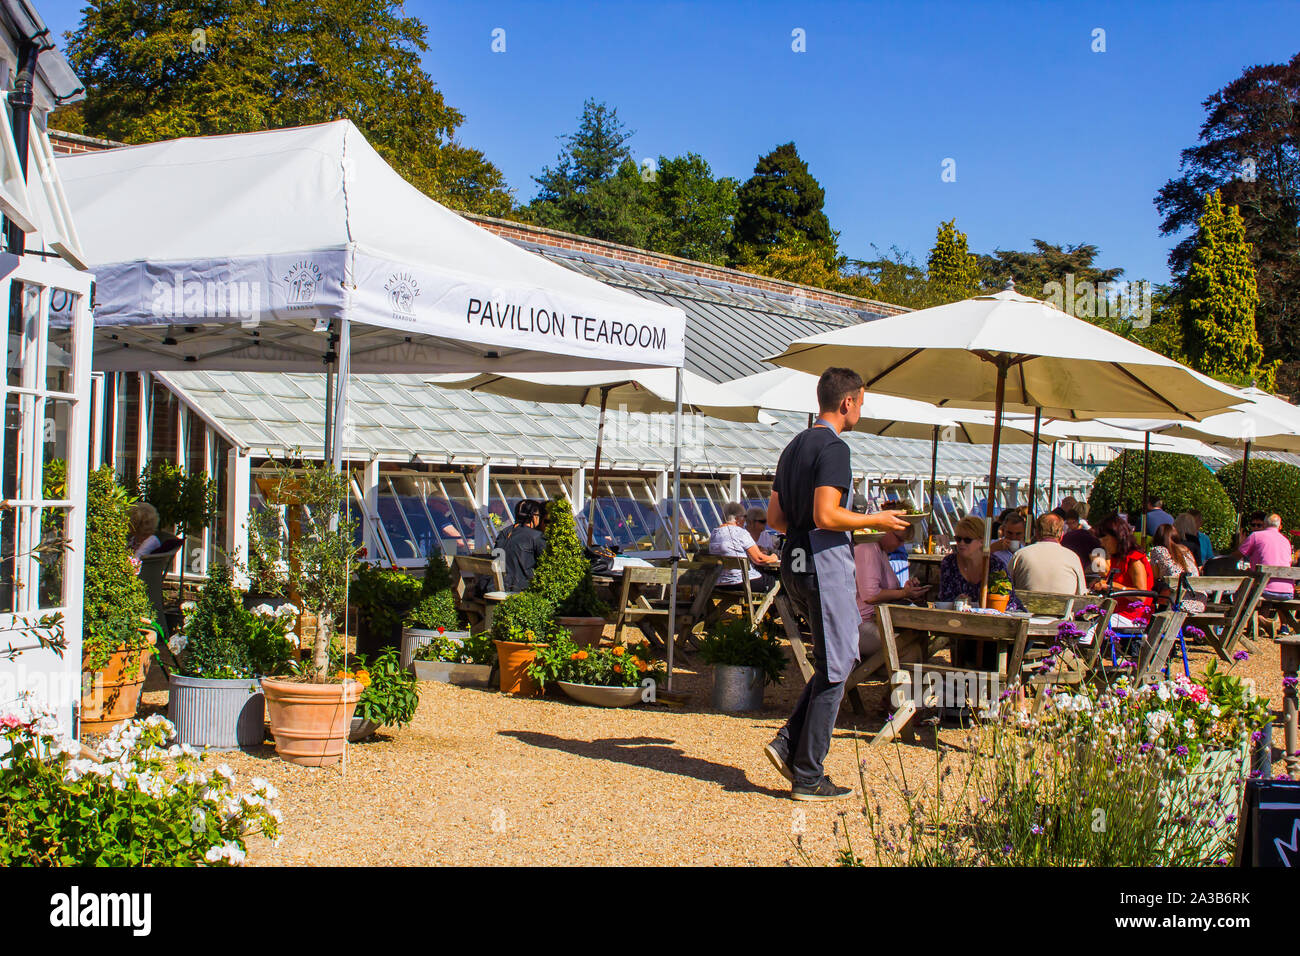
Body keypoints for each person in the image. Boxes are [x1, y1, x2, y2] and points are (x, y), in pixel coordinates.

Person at [763, 368, 909, 801]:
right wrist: (875, 520)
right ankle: (807, 774)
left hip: (793, 561)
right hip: (823, 564)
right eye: (861, 402)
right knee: (839, 663)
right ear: (847, 402)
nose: (861, 410)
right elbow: (828, 515)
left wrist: (806, 529)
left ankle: (790, 742)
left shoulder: (793, 447)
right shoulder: (834, 448)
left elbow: (774, 520)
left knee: (833, 661)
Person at [855, 524, 928, 660]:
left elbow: (887, 590)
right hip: (861, 625)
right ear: (886, 530)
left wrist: (906, 589)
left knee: (919, 638)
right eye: (899, 539)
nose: (900, 545)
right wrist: (904, 594)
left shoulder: (880, 551)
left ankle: (874, 670)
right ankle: (869, 671)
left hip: (879, 619)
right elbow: (871, 596)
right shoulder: (868, 549)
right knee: (912, 650)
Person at [1091, 514, 1154, 624]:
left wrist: (1113, 586)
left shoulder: (1134, 559)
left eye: (1105, 539)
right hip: (1117, 613)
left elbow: (1141, 596)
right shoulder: (1117, 558)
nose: (1102, 543)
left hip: (1133, 616)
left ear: (1117, 537)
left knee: (1088, 634)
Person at [1009, 513, 1086, 595]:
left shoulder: (1021, 555)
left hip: (1027, 607)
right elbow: (1081, 594)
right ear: (1061, 534)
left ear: (1036, 532)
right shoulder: (1072, 557)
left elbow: (1006, 587)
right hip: (1063, 608)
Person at [938, 515, 1008, 605]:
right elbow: (944, 598)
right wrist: (957, 600)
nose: (961, 543)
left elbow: (1006, 599)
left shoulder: (995, 565)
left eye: (967, 540)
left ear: (981, 541)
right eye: (958, 539)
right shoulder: (949, 562)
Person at [710, 501, 779, 591]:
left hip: (719, 582)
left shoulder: (714, 533)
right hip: (741, 582)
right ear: (737, 518)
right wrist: (774, 557)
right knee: (774, 580)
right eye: (745, 517)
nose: (746, 521)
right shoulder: (740, 532)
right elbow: (759, 559)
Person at [1148, 523, 1205, 613]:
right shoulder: (1185, 550)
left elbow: (1154, 576)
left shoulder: (1158, 550)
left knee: (1162, 590)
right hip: (1199, 600)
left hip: (1177, 600)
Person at [1239, 513, 1295, 600]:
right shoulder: (1286, 541)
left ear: (1264, 525)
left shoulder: (1255, 536)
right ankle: (1262, 614)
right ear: (1280, 527)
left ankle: (1239, 613)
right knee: (1266, 605)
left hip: (1263, 589)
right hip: (1287, 591)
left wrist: (1239, 544)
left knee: (1239, 593)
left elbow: (1236, 556)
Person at [495, 499, 544, 592]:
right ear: (533, 517)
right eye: (538, 515)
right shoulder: (535, 536)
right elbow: (547, 562)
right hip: (518, 588)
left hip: (495, 585)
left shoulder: (504, 533)